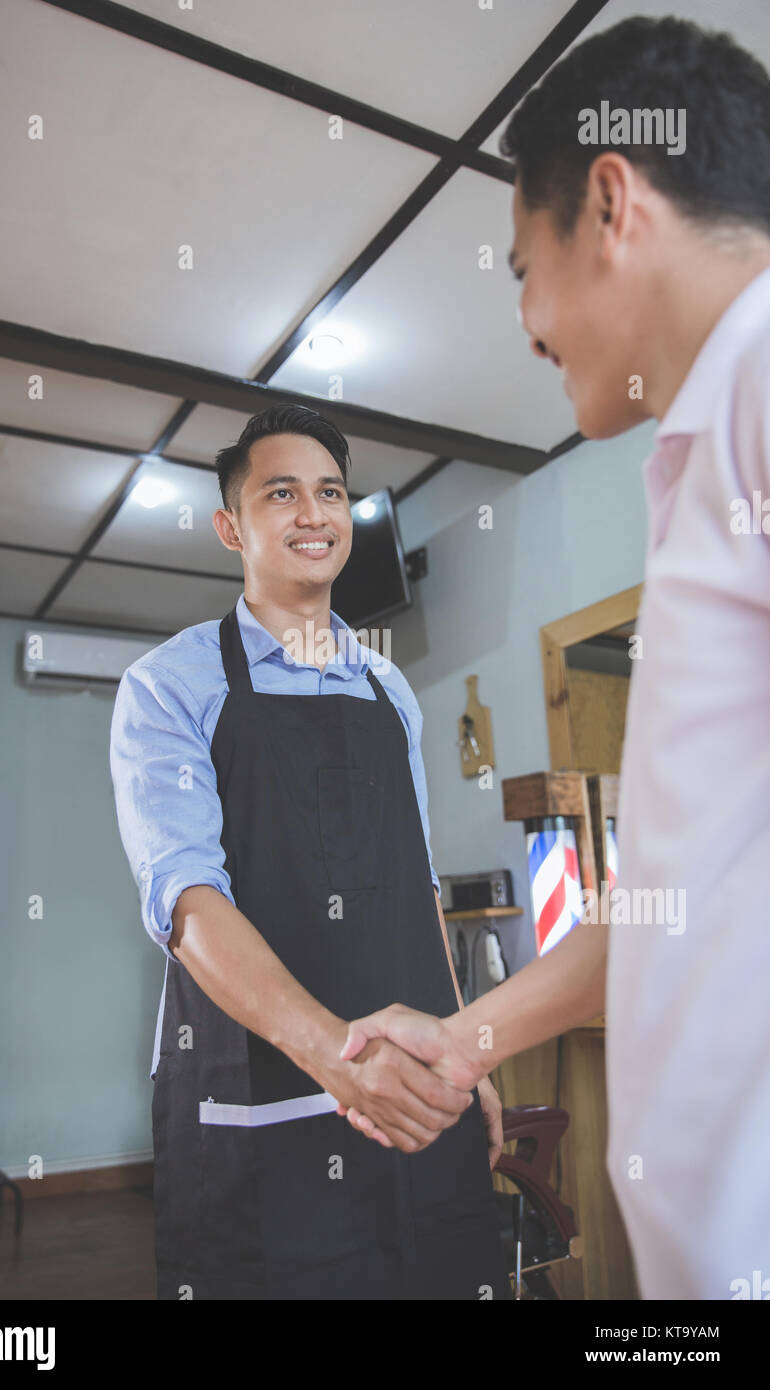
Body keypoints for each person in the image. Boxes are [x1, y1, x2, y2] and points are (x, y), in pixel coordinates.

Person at [338, 15, 770, 1301]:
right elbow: (677, 896)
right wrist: (466, 1037)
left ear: (610, 199)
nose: (525, 322)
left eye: (522, 268)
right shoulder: (694, 460)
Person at [109, 404, 510, 1300]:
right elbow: (188, 907)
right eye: (280, 493)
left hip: (411, 1090)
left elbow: (420, 889)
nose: (313, 514)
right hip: (260, 1098)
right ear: (231, 526)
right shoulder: (168, 687)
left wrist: (467, 1055)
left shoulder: (391, 688)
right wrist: (335, 1057)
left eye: (330, 493)